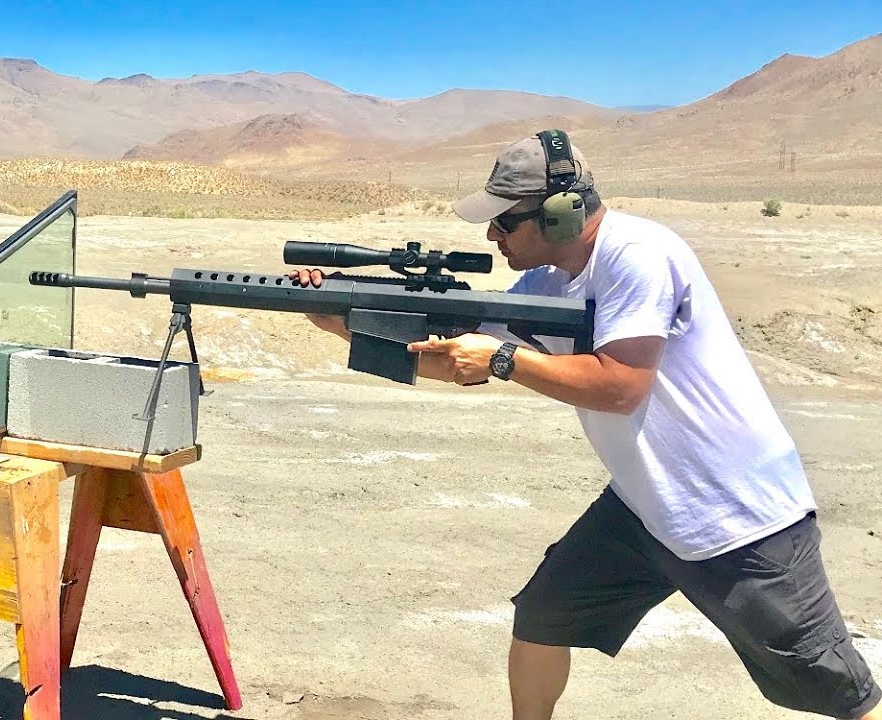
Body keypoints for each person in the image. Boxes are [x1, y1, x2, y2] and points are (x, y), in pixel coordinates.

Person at [290, 130, 880, 720]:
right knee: (544, 618)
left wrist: (503, 358)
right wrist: (340, 325)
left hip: (733, 513)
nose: (491, 236)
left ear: (559, 214)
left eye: (503, 221)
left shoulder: (637, 254)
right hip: (645, 508)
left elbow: (621, 386)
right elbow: (458, 364)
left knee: (835, 688)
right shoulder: (545, 283)